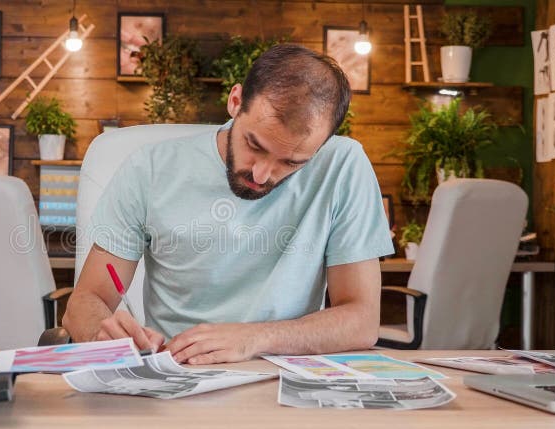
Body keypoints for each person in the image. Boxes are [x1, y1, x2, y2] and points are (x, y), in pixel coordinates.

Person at [62, 44, 394, 364]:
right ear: (235, 101)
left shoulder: (343, 165)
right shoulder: (148, 168)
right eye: (255, 144)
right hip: (176, 376)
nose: (263, 174)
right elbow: (85, 302)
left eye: (291, 163)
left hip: (284, 381)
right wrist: (101, 334)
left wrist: (254, 339)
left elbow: (362, 320)